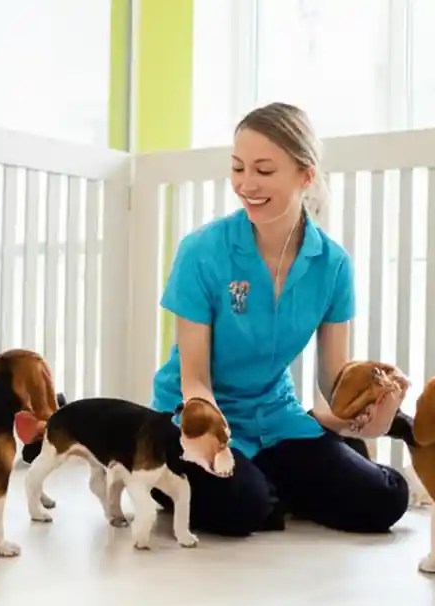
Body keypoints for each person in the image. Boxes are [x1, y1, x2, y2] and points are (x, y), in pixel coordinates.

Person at [149, 102, 411, 537]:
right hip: (197, 418)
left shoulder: (333, 265)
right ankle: (245, 485)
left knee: (385, 498)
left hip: (276, 416)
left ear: (305, 175)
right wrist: (210, 441)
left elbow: (335, 384)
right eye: (238, 168)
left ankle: (275, 481)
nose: (246, 184)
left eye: (264, 171)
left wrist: (370, 412)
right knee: (244, 507)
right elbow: (195, 380)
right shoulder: (202, 251)